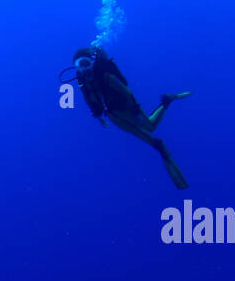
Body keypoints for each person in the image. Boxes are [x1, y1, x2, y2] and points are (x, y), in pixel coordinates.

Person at [68, 46, 192, 189]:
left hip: (127, 107)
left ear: (92, 62)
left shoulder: (105, 76)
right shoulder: (82, 81)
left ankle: (167, 101)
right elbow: (88, 98)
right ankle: (162, 151)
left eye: (86, 63)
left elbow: (127, 92)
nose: (85, 69)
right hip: (113, 115)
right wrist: (98, 116)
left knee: (151, 127)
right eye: (80, 65)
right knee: (152, 141)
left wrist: (137, 111)